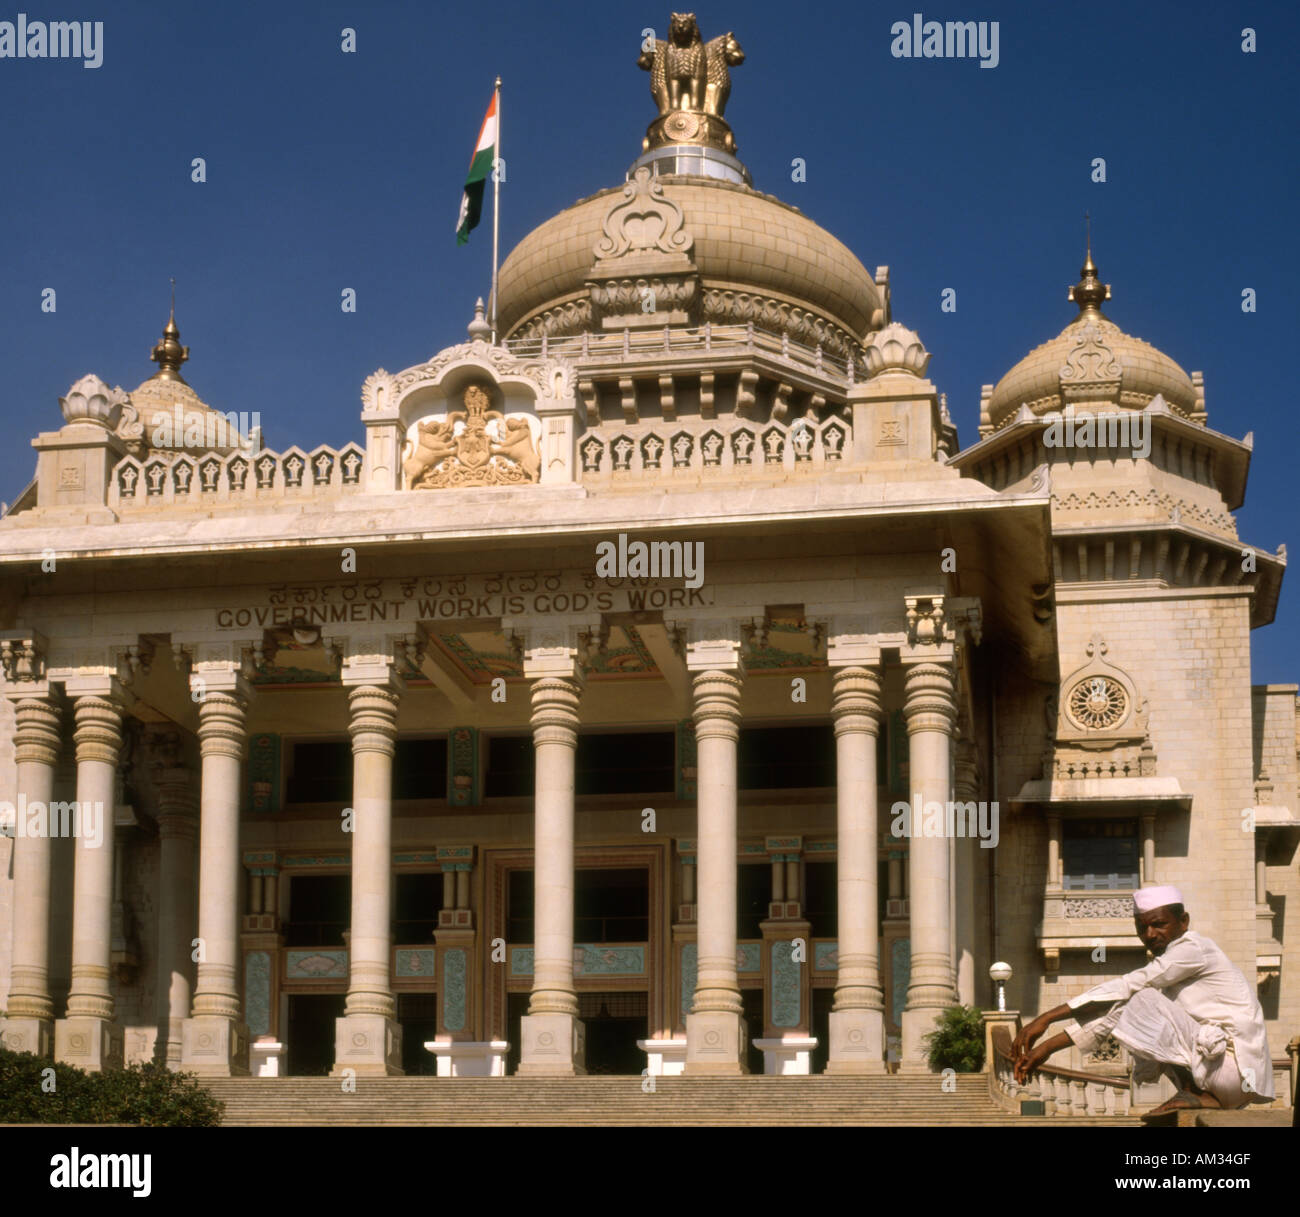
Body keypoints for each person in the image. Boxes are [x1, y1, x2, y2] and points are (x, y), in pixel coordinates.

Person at [1011, 885, 1274, 1119]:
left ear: (1183, 921)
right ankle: (1192, 1091)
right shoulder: (1173, 961)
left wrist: (1046, 1018)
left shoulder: (1193, 948)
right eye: (1141, 927)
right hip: (1223, 1079)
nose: (1149, 934)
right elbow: (1112, 1016)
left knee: (1137, 996)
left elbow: (1128, 987)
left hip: (1232, 1073)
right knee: (1130, 1005)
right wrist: (1044, 1049)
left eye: (1159, 924)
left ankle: (1192, 1091)